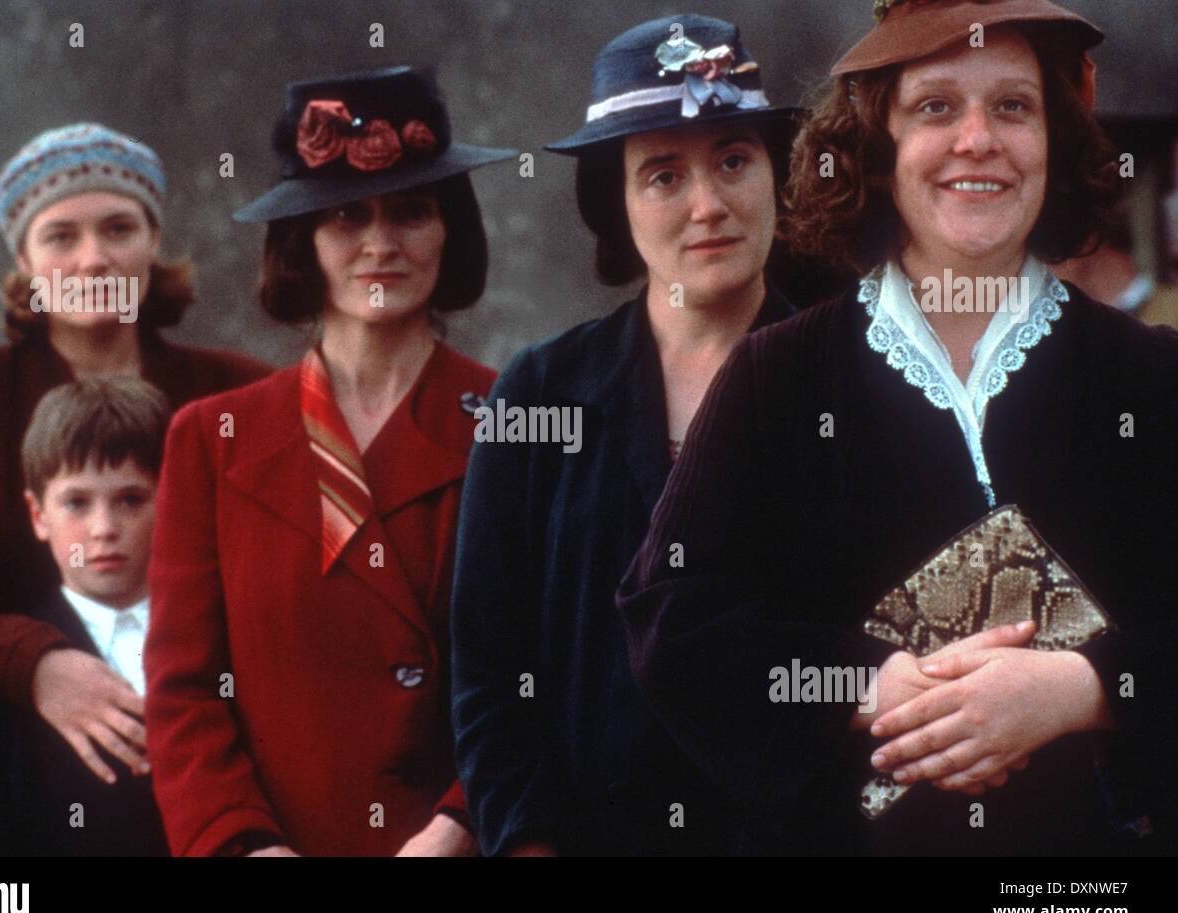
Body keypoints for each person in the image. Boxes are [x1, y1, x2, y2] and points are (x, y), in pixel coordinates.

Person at [618, 0, 1178, 856]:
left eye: (1013, 106)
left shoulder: (1149, 375)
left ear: (1057, 141)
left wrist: (1085, 688)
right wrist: (874, 683)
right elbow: (674, 623)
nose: (977, 140)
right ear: (875, 152)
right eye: (936, 107)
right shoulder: (778, 377)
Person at [449, 14, 798, 856]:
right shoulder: (541, 391)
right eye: (663, 176)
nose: (708, 204)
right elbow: (488, 668)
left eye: (733, 160)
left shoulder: (855, 380)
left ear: (776, 175)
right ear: (617, 203)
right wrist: (528, 842)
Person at [143, 66, 513, 856]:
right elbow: (184, 694)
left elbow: (544, 674)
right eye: (347, 215)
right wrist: (243, 844)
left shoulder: (512, 422)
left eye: (411, 212)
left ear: (452, 230)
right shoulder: (212, 439)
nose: (381, 244)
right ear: (303, 242)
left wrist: (459, 824)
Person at [0, 123, 270, 854]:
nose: (93, 257)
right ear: (23, 261)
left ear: (153, 242)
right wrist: (34, 665)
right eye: (60, 236)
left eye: (118, 227)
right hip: (1, 796)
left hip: (212, 791)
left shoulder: (235, 393)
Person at [0, 376, 172, 856]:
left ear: (169, 500)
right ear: (38, 514)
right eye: (76, 503)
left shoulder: (226, 640)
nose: (104, 528)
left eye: (130, 499)